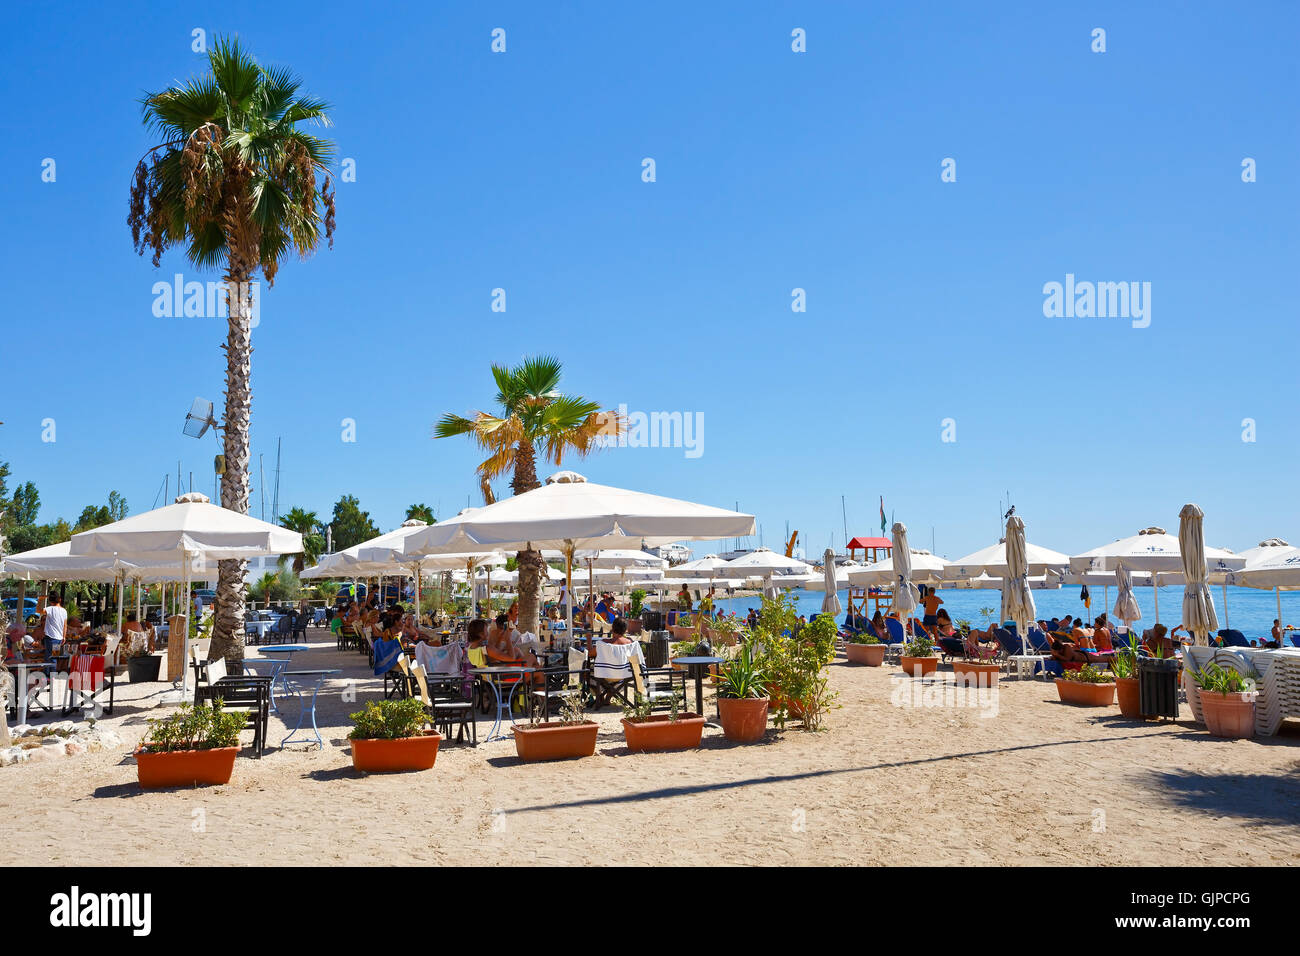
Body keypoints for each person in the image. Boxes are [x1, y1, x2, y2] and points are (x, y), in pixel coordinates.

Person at [40, 594, 67, 659]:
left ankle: (50, 669)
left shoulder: (49, 609)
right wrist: (64, 636)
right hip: (58, 638)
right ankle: (52, 669)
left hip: (50, 637)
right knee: (54, 657)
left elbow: (38, 610)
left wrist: (40, 600)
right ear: (59, 600)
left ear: (50, 601)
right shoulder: (64, 611)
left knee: (49, 658)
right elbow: (65, 625)